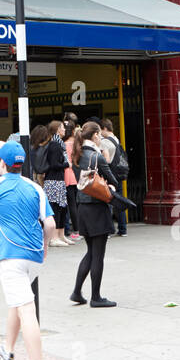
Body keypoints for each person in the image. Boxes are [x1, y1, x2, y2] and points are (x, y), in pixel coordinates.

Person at [0, 139, 55, 360]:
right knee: (18, 302)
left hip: (10, 256)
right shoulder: (35, 187)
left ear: (2, 163)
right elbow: (51, 224)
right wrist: (45, 246)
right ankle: (7, 351)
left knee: (26, 310)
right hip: (33, 257)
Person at [70, 120, 119, 307]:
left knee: (90, 252)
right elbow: (113, 179)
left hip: (82, 206)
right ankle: (96, 297)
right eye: (98, 134)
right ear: (96, 135)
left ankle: (77, 292)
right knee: (98, 254)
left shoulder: (77, 154)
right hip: (97, 208)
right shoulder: (96, 157)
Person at [33, 120, 71, 246]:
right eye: (62, 127)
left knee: (62, 208)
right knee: (56, 208)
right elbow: (54, 164)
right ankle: (54, 237)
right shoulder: (55, 145)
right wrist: (66, 164)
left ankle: (61, 235)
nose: (65, 130)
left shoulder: (56, 144)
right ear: (57, 130)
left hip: (57, 180)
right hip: (54, 180)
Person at [99, 119, 129, 236]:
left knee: (108, 201)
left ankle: (109, 230)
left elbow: (106, 160)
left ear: (105, 129)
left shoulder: (105, 142)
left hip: (111, 175)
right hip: (119, 175)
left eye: (101, 130)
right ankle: (123, 229)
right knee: (119, 200)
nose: (100, 133)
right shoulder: (116, 139)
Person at [61, 119, 82, 242]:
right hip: (77, 174)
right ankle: (79, 228)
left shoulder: (64, 145)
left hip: (67, 174)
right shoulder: (77, 143)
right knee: (77, 203)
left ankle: (76, 230)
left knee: (71, 204)